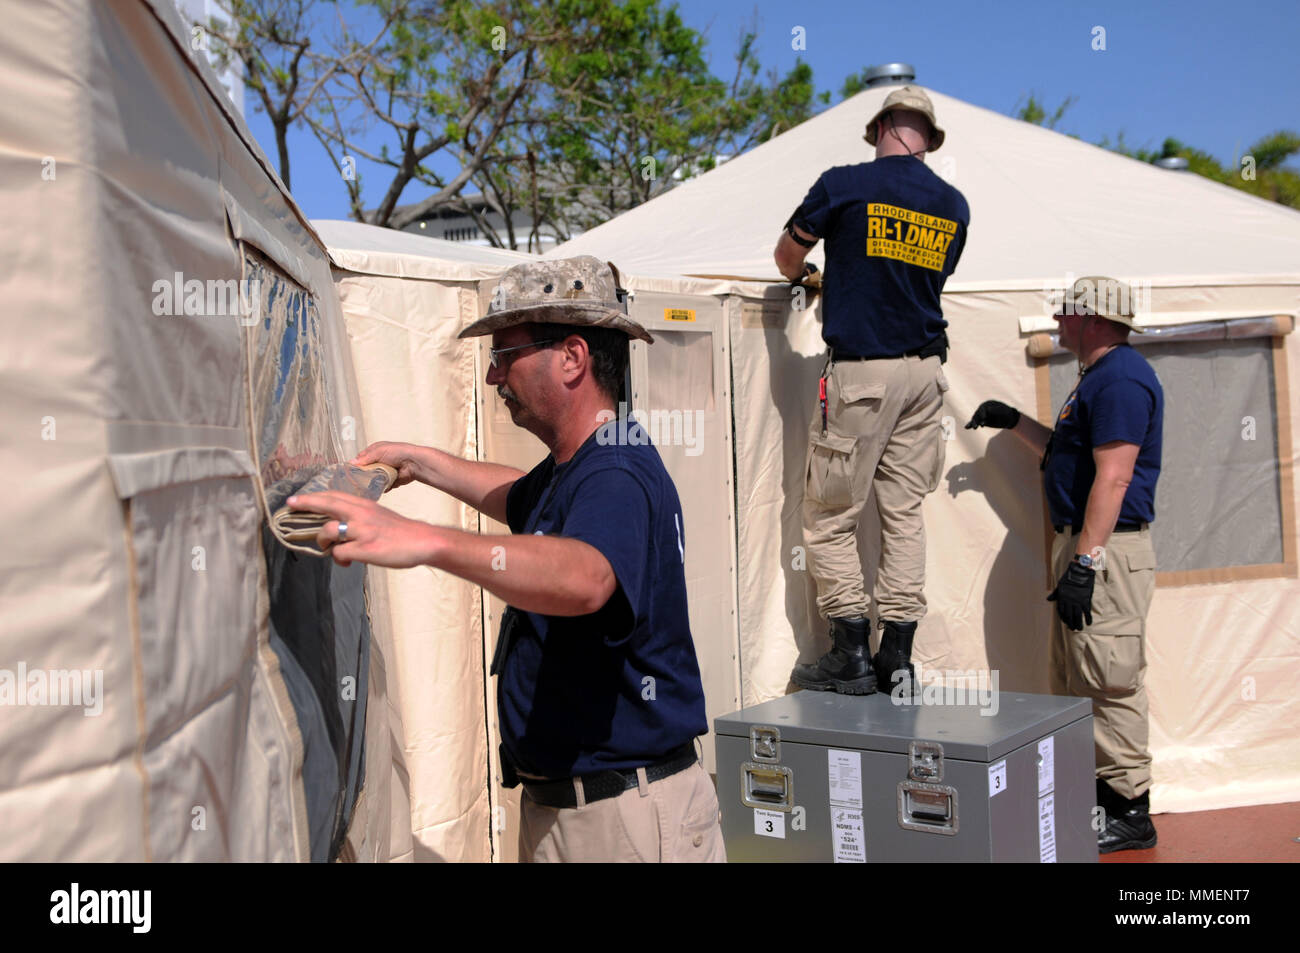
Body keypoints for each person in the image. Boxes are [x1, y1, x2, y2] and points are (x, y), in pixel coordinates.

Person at [286, 256, 726, 863]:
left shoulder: (615, 473)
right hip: (579, 811)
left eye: (504, 354)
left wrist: (424, 541)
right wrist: (419, 463)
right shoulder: (582, 465)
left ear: (571, 357)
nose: (494, 376)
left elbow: (587, 576)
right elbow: (519, 495)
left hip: (620, 820)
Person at [773, 86, 970, 696]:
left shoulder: (844, 184)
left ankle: (850, 652)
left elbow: (786, 255)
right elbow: (921, 280)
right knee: (904, 512)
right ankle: (899, 655)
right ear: (930, 140)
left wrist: (810, 278)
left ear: (879, 125)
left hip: (863, 372)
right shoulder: (954, 205)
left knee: (830, 514)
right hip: (925, 375)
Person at [966, 275, 1163, 854]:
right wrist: (1015, 422)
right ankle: (1101, 800)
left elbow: (1115, 476)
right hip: (1084, 544)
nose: (1057, 323)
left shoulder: (1123, 379)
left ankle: (1131, 811)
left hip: (1106, 548)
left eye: (1066, 313)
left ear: (1094, 318)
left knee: (1109, 678)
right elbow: (1073, 456)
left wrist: (1087, 562)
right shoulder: (1097, 378)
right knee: (1078, 675)